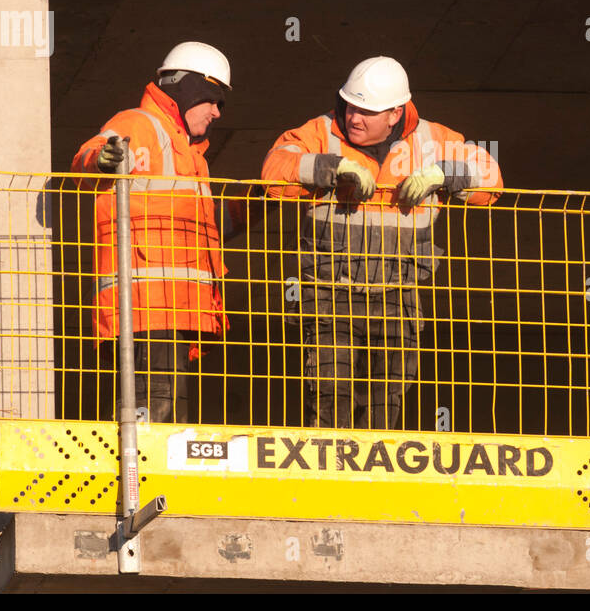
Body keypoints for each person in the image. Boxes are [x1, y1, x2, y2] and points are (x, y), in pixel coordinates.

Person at [261, 56, 502, 429]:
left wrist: (444, 174)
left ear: (394, 114)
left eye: (366, 112)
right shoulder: (321, 132)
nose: (353, 117)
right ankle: (330, 478)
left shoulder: (433, 140)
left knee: (384, 402)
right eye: (350, 106)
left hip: (397, 294)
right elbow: (274, 172)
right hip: (330, 293)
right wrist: (330, 167)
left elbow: (491, 178)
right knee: (330, 393)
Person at [72, 41, 236, 424]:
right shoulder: (139, 124)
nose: (216, 112)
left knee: (169, 404)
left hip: (176, 305)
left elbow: (204, 230)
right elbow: (87, 157)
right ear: (188, 89)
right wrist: (104, 159)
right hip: (146, 303)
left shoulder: (192, 156)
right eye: (213, 99)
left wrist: (261, 199)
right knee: (155, 402)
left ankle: (153, 478)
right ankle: (140, 478)